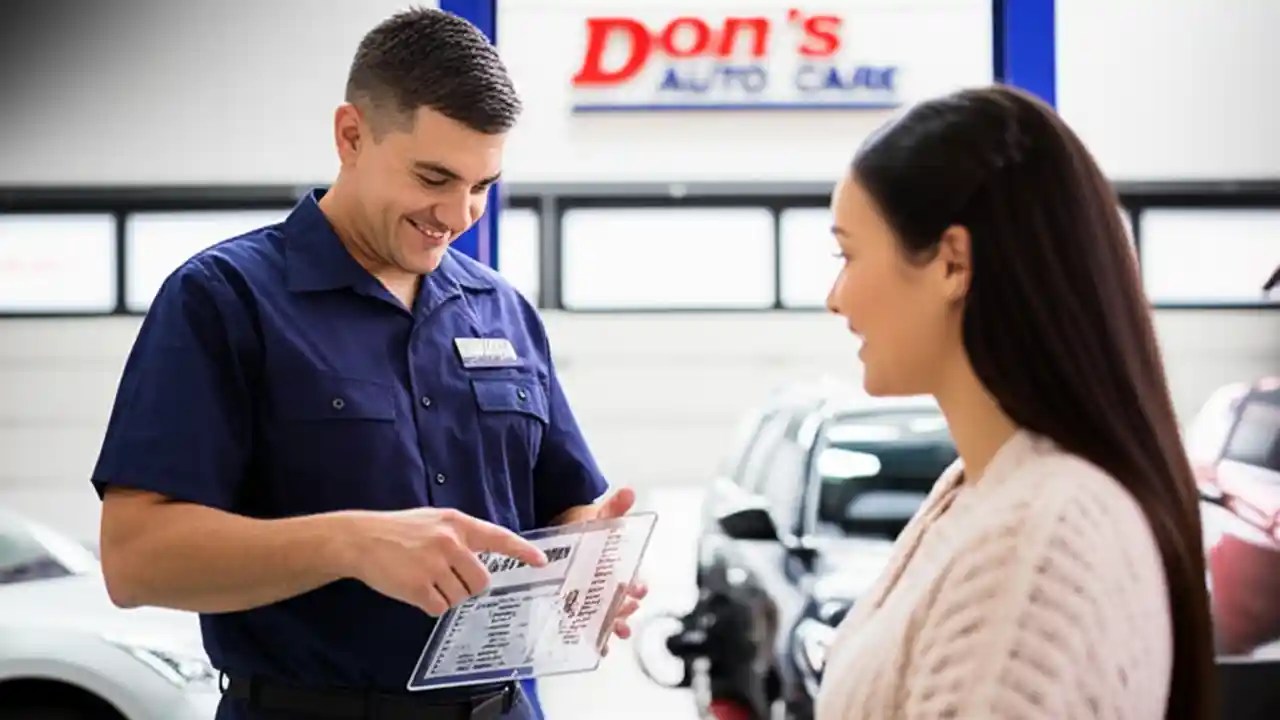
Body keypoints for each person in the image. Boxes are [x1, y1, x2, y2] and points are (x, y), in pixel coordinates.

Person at [91, 8, 644, 720]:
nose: (458, 214)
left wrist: (587, 563)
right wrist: (350, 543)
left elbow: (561, 504)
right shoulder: (224, 300)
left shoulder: (500, 309)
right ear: (351, 136)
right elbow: (135, 560)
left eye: (482, 185)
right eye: (434, 177)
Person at [814, 85, 1217, 719]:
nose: (834, 298)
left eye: (849, 254)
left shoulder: (1037, 541)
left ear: (952, 264)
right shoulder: (979, 492)